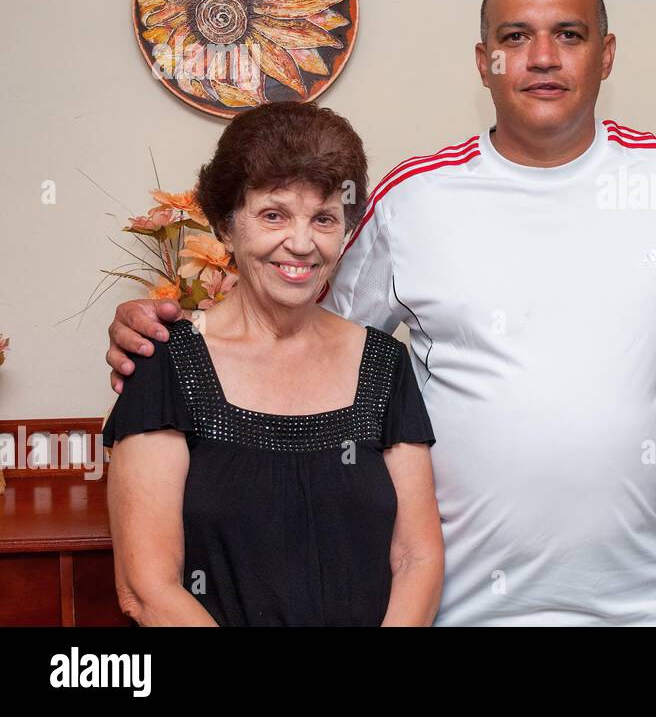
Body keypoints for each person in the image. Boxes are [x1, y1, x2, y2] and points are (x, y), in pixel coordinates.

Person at [106, 0, 656, 626]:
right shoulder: (414, 197)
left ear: (606, 54)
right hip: (457, 601)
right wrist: (174, 338)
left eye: (569, 34)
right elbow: (299, 322)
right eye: (518, 35)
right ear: (485, 61)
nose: (543, 56)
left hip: (654, 599)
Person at [103, 102, 442, 626]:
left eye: (324, 218)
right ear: (224, 225)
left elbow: (416, 558)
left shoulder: (383, 365)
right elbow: (147, 588)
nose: (301, 244)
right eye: (273, 215)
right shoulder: (164, 364)